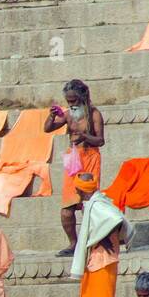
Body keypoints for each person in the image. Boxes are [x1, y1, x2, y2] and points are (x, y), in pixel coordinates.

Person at [69, 173, 128, 297]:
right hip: (93, 261)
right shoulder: (93, 203)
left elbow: (116, 218)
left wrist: (104, 237)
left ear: (80, 190)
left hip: (104, 262)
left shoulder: (98, 204)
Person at [45, 79, 105, 256]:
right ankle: (74, 244)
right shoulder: (68, 114)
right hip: (73, 160)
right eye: (68, 101)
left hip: (90, 157)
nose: (70, 104)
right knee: (66, 209)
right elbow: (47, 129)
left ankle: (93, 242)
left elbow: (100, 140)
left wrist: (84, 136)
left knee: (89, 204)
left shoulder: (94, 114)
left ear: (82, 97)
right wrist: (51, 115)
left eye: (73, 101)